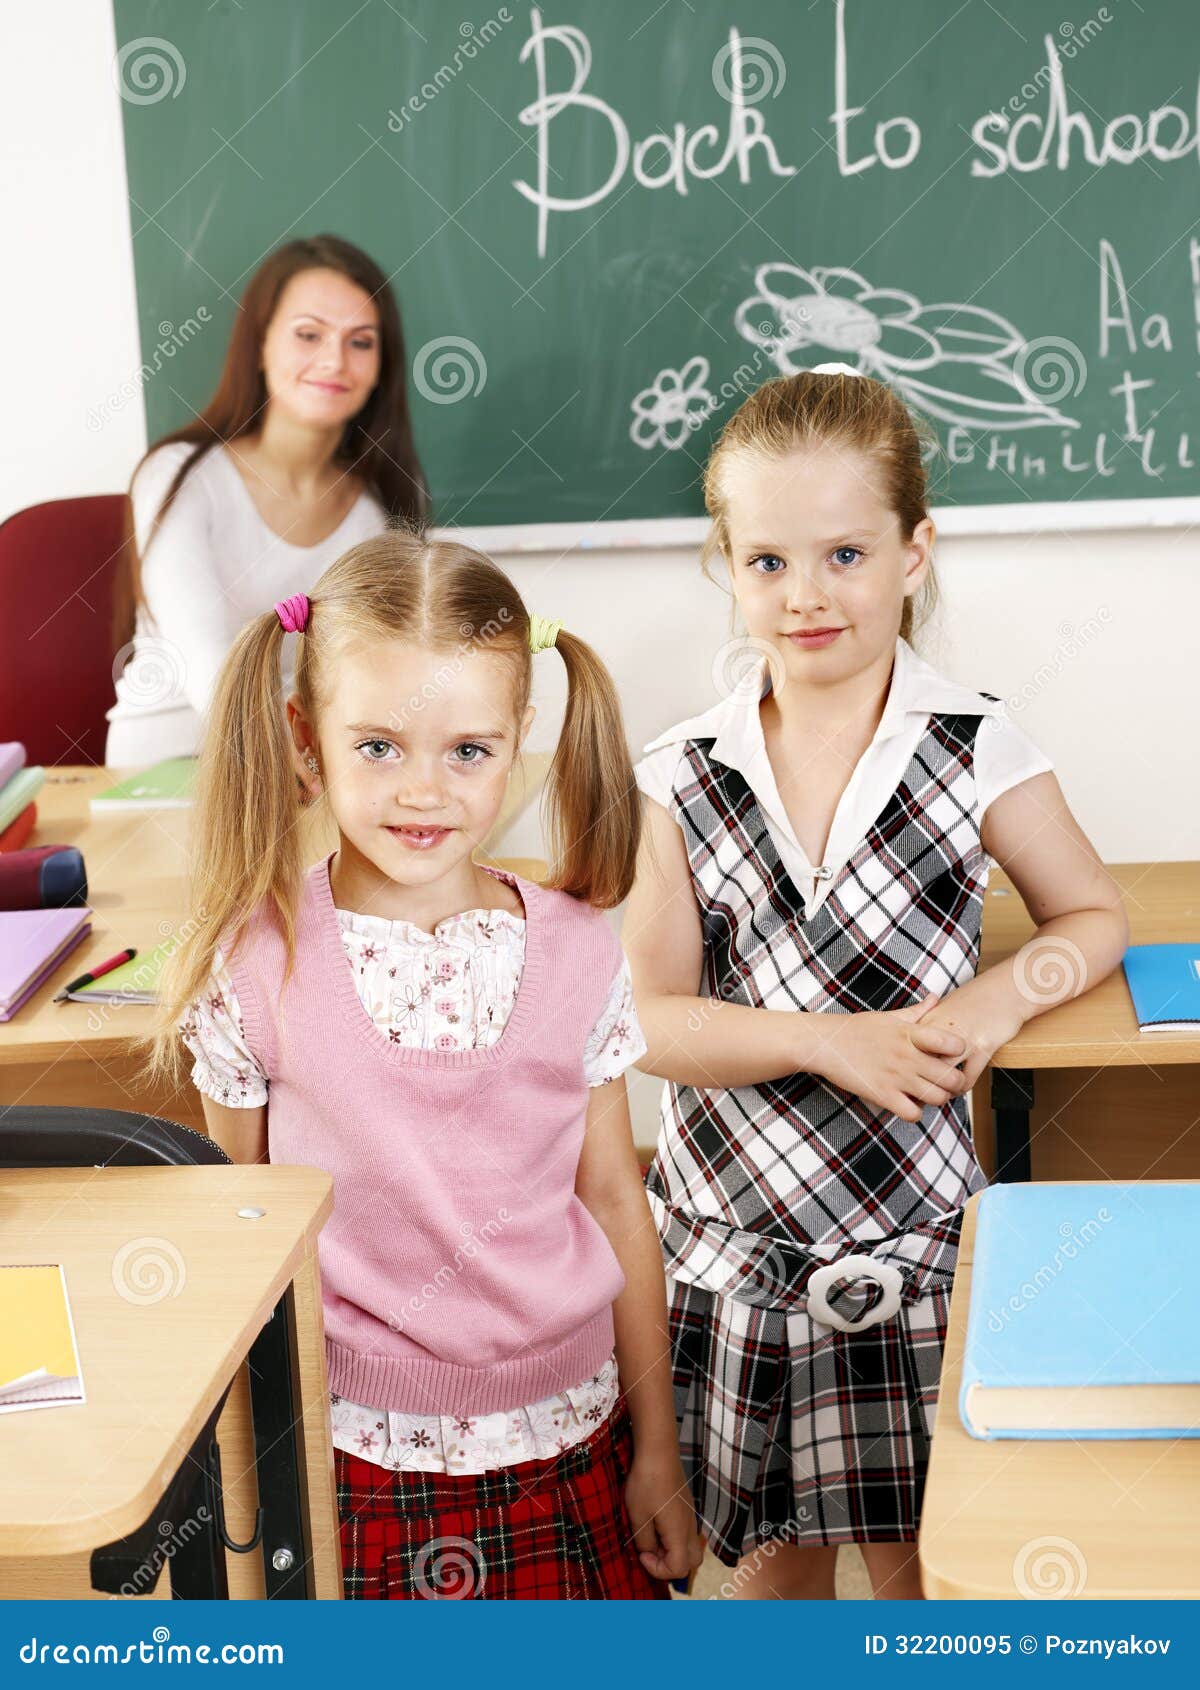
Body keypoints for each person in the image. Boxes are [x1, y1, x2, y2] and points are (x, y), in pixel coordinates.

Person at [622, 364, 1129, 1599]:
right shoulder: (677, 773)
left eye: (846, 553)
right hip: (738, 1250)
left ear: (915, 551)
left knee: (919, 1555)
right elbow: (649, 1020)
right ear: (726, 567)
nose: (807, 595)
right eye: (769, 562)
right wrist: (828, 1040)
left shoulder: (974, 744)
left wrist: (996, 1001)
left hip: (915, 1242)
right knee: (774, 1559)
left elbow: (1091, 914)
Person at [148, 532, 702, 1600]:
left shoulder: (581, 949)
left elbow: (616, 1203)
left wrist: (660, 1450)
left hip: (573, 1435)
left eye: (468, 751)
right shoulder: (255, 966)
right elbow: (244, 1239)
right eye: (379, 747)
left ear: (520, 740)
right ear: (308, 742)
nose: (425, 792)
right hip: (356, 1455)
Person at [105, 235, 427, 766]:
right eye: (308, 334)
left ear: (380, 365)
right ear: (260, 345)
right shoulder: (180, 476)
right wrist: (288, 762)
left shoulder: (379, 508)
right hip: (171, 768)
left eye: (361, 342)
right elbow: (208, 664)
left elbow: (378, 675)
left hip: (313, 767)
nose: (335, 360)